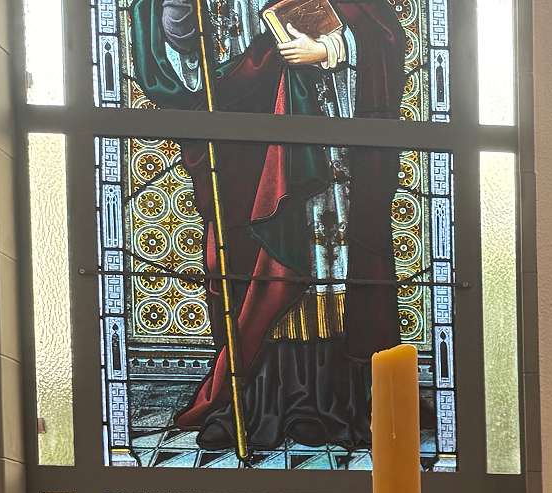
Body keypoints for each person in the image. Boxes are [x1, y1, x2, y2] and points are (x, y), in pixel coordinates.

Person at [124, 0, 408, 454]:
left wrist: (330, 49)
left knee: (323, 260)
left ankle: (332, 401)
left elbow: (384, 35)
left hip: (326, 131)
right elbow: (184, 50)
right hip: (245, 140)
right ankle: (251, 401)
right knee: (247, 257)